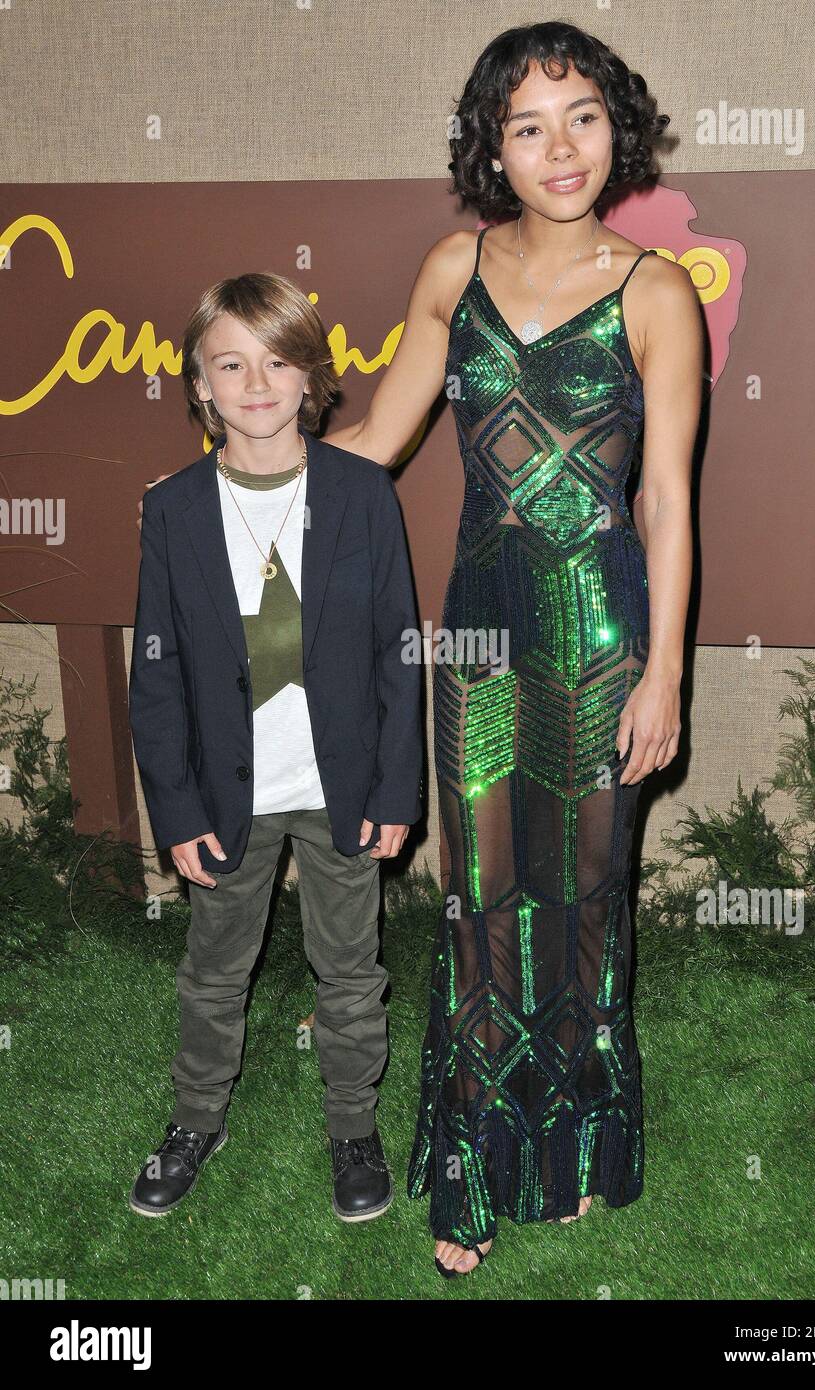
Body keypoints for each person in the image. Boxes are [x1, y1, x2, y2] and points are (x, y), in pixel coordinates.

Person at [324, 22, 700, 1276]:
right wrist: (245, 478)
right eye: (527, 123)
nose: (559, 146)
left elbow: (666, 501)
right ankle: (474, 1164)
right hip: (480, 633)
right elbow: (380, 434)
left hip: (603, 631)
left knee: (587, 895)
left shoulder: (658, 293)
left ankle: (579, 1143)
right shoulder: (454, 267)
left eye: (582, 115)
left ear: (616, 128)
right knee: (481, 895)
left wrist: (665, 673)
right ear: (493, 142)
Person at [127, 272, 423, 1223]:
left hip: (339, 790)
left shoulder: (363, 495)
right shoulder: (172, 510)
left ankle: (352, 1128)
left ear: (310, 377)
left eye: (278, 359)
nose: (257, 382)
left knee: (351, 971)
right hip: (225, 796)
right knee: (214, 971)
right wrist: (173, 805)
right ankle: (194, 1119)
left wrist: (394, 789)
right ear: (201, 386)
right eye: (231, 363)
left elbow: (397, 653)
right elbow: (157, 675)